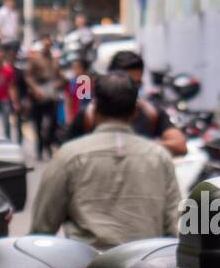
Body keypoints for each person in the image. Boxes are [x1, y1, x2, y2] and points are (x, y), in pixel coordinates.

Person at [29, 71, 180, 250]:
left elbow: (42, 230)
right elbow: (174, 228)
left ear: (95, 109)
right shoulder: (159, 157)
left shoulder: (69, 156)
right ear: (134, 111)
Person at [63, 50, 187, 156]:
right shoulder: (88, 115)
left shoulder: (150, 112)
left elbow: (179, 145)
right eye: (126, 84)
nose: (131, 91)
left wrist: (138, 146)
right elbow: (65, 155)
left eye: (136, 84)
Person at [25, 39, 60, 161]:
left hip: (51, 93)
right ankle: (39, 149)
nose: (47, 47)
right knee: (38, 124)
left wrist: (58, 84)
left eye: (49, 45)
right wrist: (35, 89)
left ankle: (49, 145)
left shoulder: (54, 59)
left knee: (53, 122)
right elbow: (28, 76)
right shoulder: (35, 58)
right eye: (46, 45)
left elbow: (59, 75)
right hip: (38, 93)